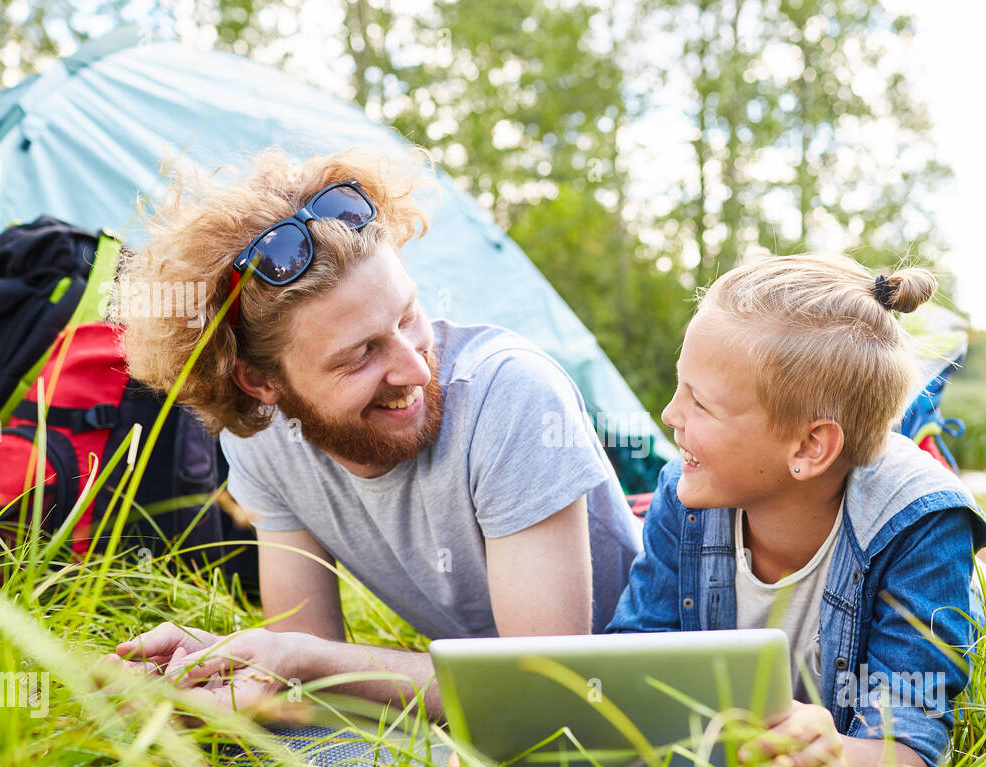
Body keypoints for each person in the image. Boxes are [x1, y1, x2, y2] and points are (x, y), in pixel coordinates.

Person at [108, 147, 642, 720]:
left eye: (408, 316)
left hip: (636, 701)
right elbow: (309, 662)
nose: (415, 369)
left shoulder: (510, 395)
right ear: (261, 382)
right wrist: (221, 666)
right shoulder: (262, 440)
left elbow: (546, 694)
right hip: (508, 708)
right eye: (361, 355)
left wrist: (305, 662)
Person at [604, 254, 986, 767]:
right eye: (678, 389)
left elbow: (911, 757)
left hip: (933, 553)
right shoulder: (686, 493)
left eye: (701, 403)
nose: (670, 413)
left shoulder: (919, 525)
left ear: (809, 447)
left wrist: (837, 756)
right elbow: (632, 658)